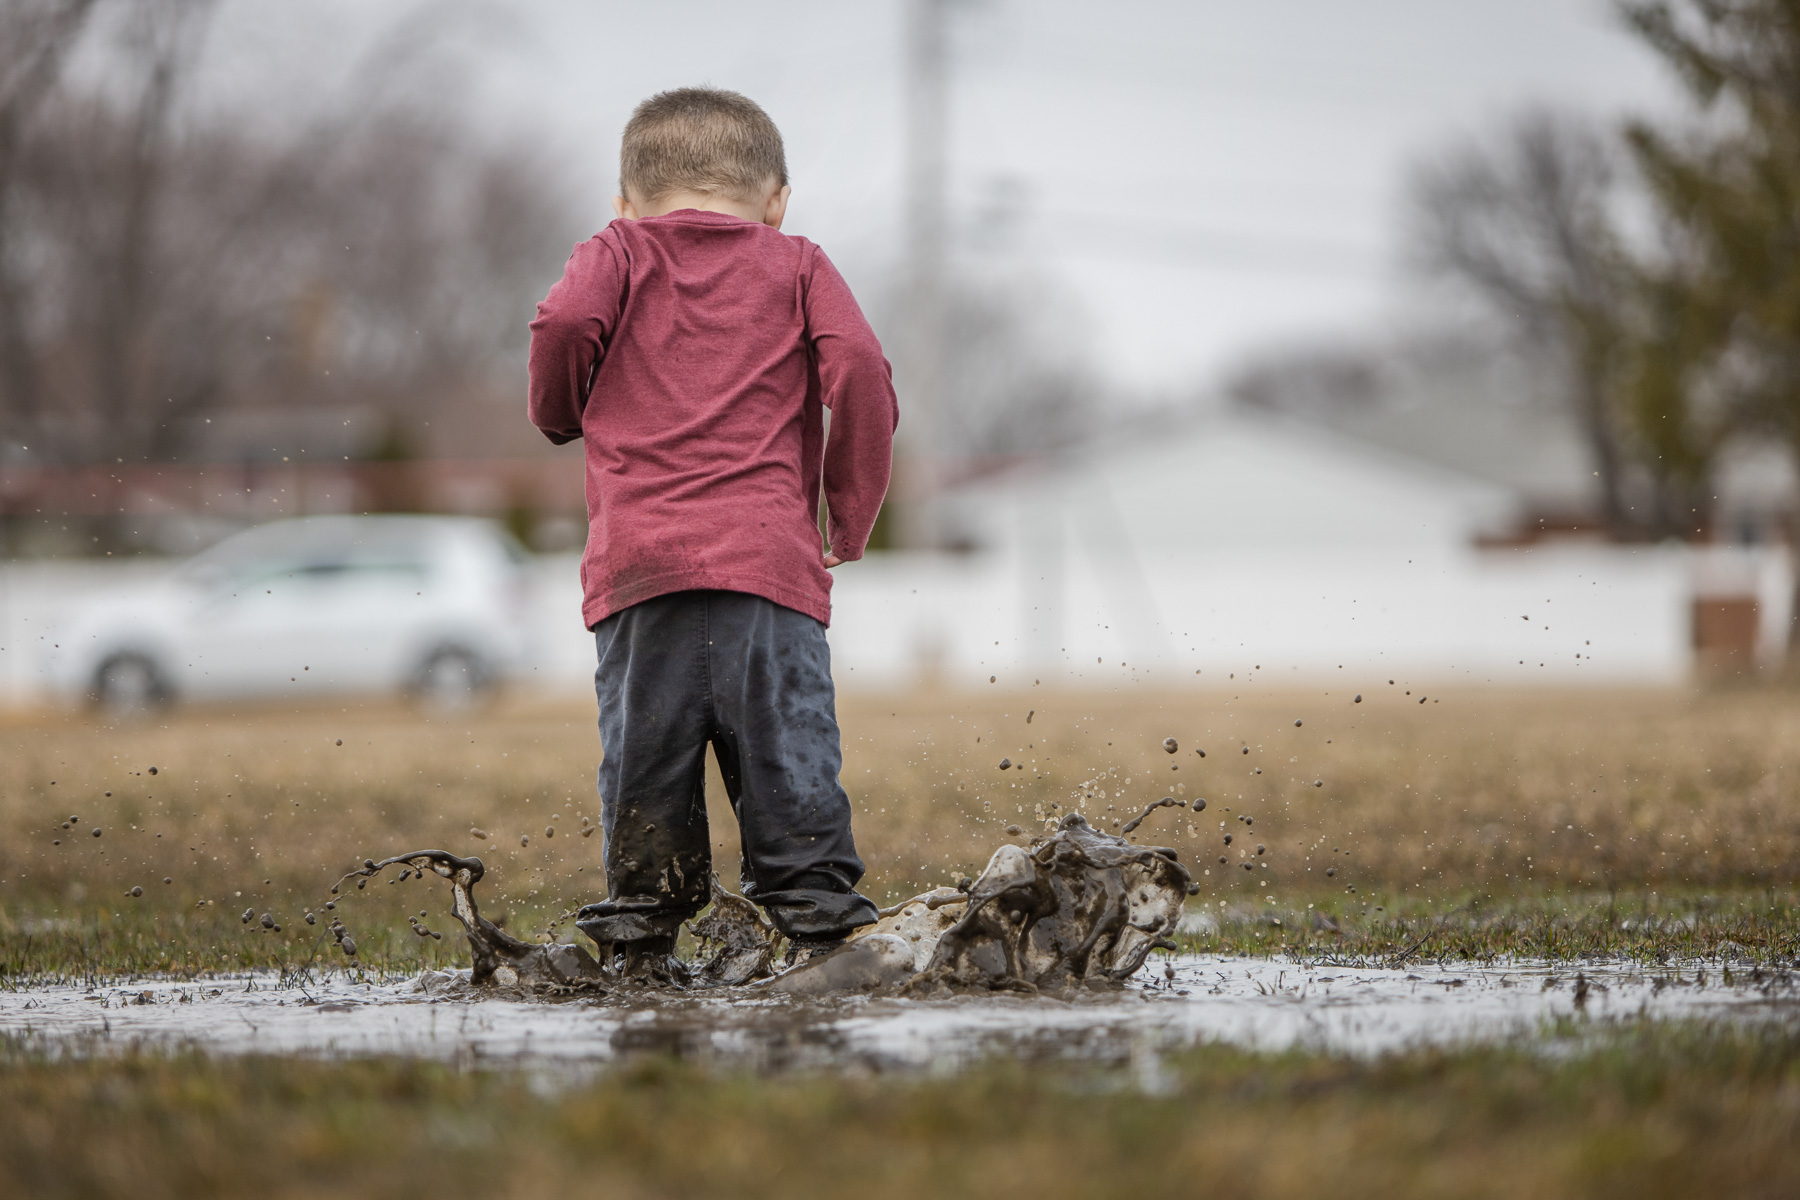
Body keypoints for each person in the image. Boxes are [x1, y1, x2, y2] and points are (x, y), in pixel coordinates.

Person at [527, 87, 897, 972]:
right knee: (792, 775)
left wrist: (558, 411)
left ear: (625, 198)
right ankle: (819, 945)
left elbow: (566, 322)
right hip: (768, 574)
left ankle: (641, 950)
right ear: (776, 200)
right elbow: (861, 371)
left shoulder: (614, 251)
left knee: (646, 775)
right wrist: (848, 510)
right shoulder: (798, 262)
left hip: (640, 574)